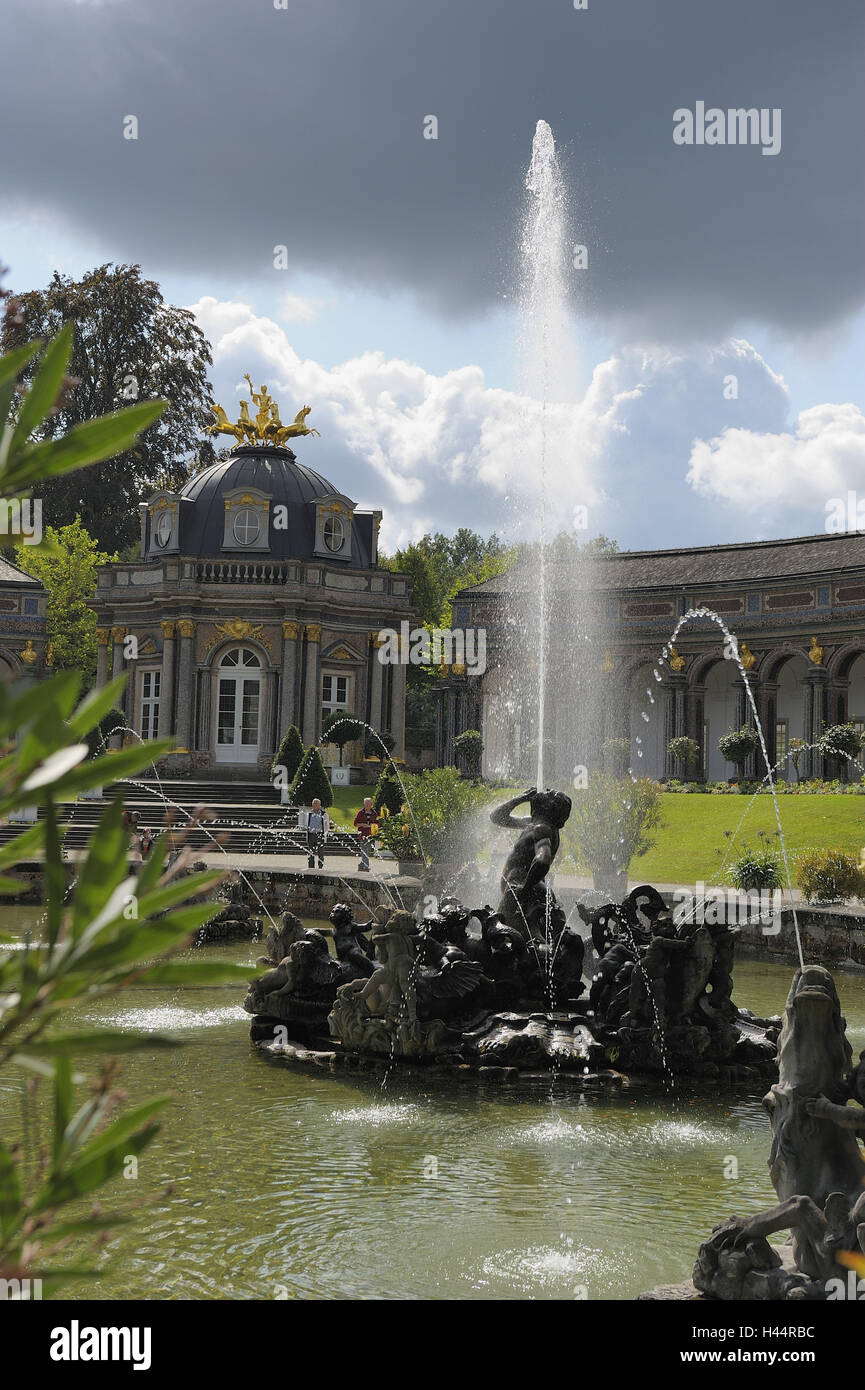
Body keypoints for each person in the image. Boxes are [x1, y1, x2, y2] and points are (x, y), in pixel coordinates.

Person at [303, 797, 330, 869]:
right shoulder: (309, 814)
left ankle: (320, 867)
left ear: (319, 805)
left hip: (320, 835)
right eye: (314, 804)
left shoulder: (324, 814)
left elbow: (327, 826)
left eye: (316, 804)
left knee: (320, 853)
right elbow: (306, 824)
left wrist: (325, 835)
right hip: (311, 835)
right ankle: (311, 868)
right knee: (310, 853)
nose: (315, 805)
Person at [353, 796, 377, 871]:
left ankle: (361, 865)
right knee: (364, 850)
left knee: (367, 851)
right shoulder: (360, 812)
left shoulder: (374, 813)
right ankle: (366, 867)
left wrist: (372, 826)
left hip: (370, 834)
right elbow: (355, 823)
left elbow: (378, 823)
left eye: (368, 804)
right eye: (365, 804)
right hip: (362, 834)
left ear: (371, 804)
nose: (366, 805)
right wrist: (363, 824)